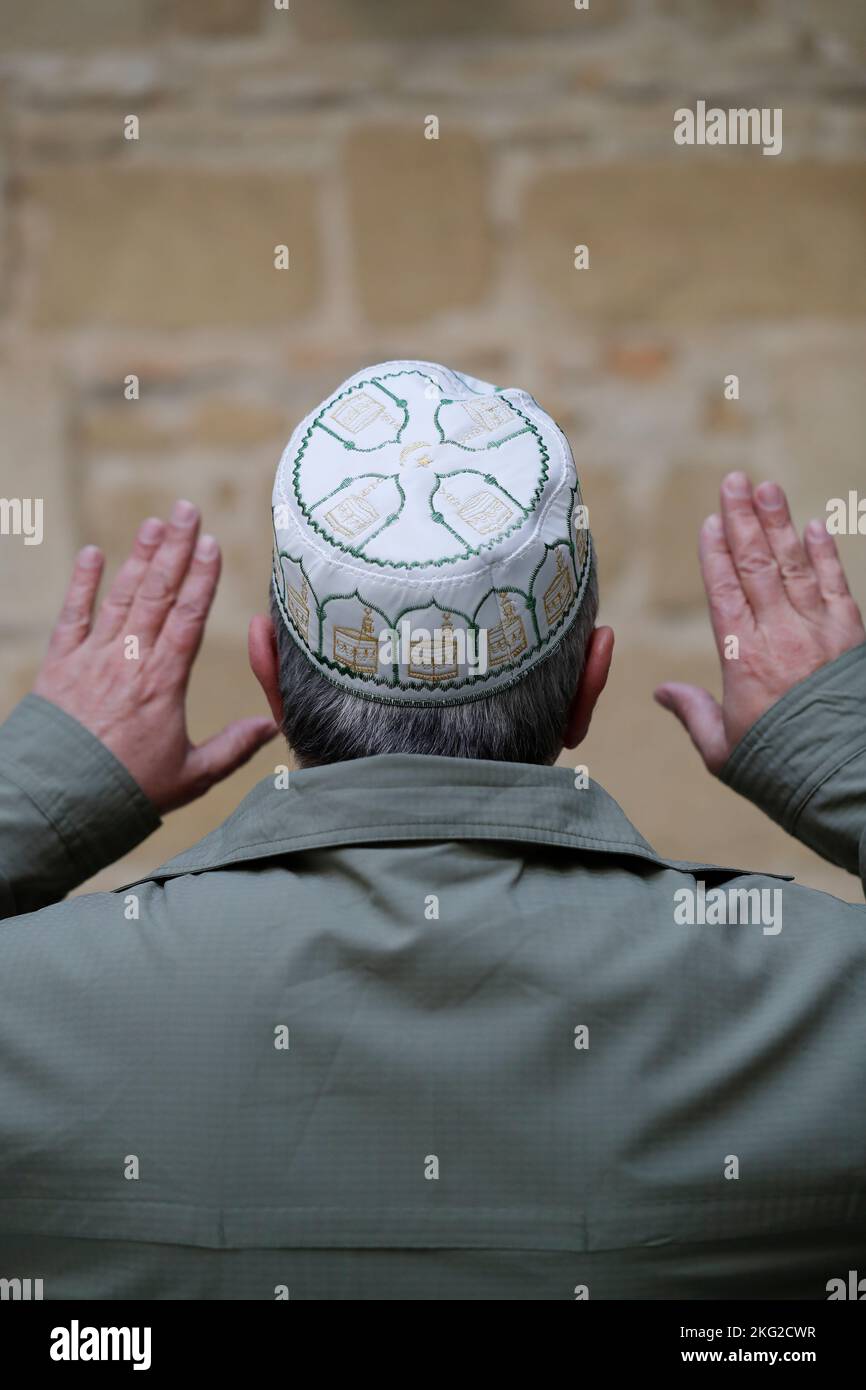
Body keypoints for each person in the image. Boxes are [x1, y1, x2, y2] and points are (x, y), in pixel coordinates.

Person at [0, 360, 864, 1301]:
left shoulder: (37, 1009)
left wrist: (44, 793)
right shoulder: (812, 1001)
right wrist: (836, 755)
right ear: (589, 684)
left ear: (270, 678)